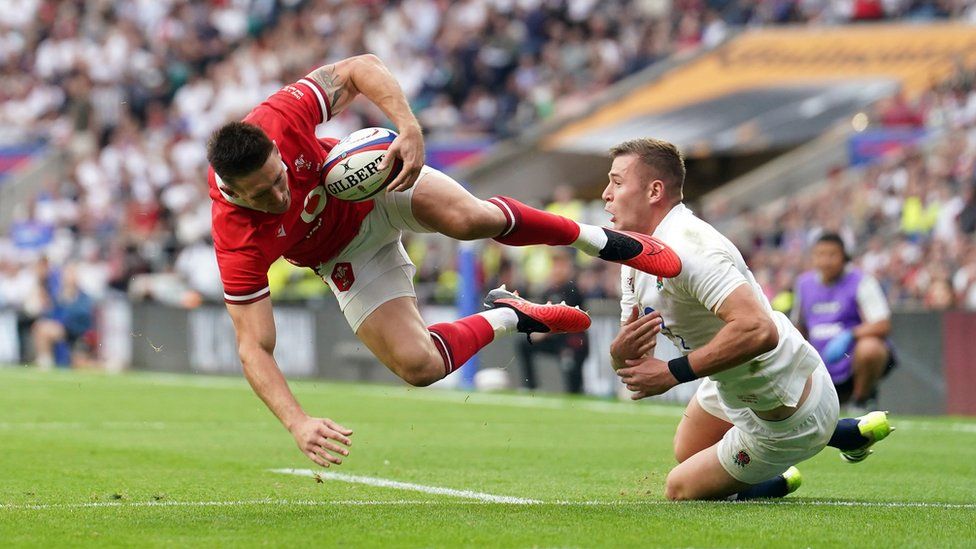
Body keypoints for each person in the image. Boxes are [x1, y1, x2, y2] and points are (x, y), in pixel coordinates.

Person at [205, 54, 681, 469]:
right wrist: (298, 422)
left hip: (375, 186)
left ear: (274, 150)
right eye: (263, 194)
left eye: (279, 175)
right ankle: (512, 314)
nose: (280, 192)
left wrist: (408, 126)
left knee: (469, 218)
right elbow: (254, 348)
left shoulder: (278, 119)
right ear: (233, 190)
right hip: (343, 255)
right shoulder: (236, 236)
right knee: (419, 366)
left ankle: (598, 239)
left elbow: (359, 68)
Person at [603, 138, 894, 501]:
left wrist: (672, 372)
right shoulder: (636, 254)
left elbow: (759, 329)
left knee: (679, 487)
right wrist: (619, 352)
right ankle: (825, 445)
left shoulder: (693, 248)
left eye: (616, 182)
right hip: (734, 383)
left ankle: (816, 436)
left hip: (785, 413)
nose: (605, 194)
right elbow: (631, 357)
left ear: (654, 190)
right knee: (687, 452)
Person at [792, 233, 896, 414]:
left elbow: (882, 324)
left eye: (832, 255)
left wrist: (850, 335)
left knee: (870, 348)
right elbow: (798, 327)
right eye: (820, 255)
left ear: (844, 257)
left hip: (851, 358)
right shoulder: (803, 284)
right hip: (818, 362)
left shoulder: (862, 281)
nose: (826, 261)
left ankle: (861, 400)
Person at [516, 249, 589, 393]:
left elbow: (566, 319)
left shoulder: (573, 290)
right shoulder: (549, 290)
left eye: (560, 265)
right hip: (554, 338)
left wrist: (543, 333)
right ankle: (531, 386)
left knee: (572, 375)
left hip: (572, 340)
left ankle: (576, 391)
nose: (556, 270)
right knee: (525, 345)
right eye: (554, 265)